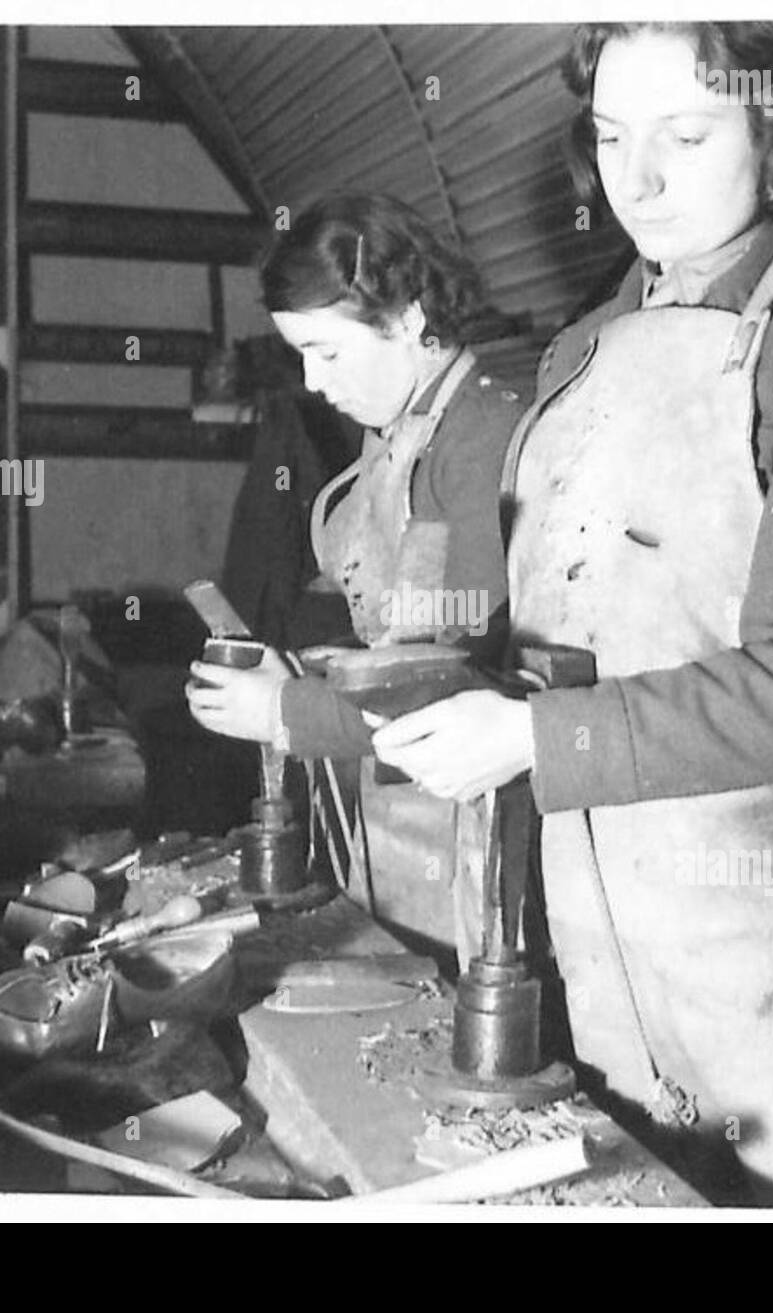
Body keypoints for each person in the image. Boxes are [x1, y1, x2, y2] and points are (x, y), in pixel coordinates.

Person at [370, 22, 773, 1207]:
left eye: (686, 135)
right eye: (611, 137)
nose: (638, 180)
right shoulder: (582, 346)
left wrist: (534, 739)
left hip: (738, 933)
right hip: (567, 919)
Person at [185, 194, 524, 965]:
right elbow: (403, 634)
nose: (312, 381)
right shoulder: (397, 437)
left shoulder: (483, 441)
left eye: (328, 352)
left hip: (485, 835)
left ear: (406, 319)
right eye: (300, 355)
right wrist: (300, 672)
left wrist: (284, 711)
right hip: (406, 815)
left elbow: (451, 681)